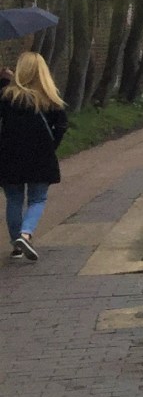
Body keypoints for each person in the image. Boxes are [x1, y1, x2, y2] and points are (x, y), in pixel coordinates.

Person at [1, 51, 68, 262]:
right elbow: (62, 126)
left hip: (9, 155)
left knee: (13, 199)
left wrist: (3, 80)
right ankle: (25, 234)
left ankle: (17, 247)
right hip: (40, 156)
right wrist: (51, 146)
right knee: (37, 199)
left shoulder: (5, 96)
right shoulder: (50, 97)